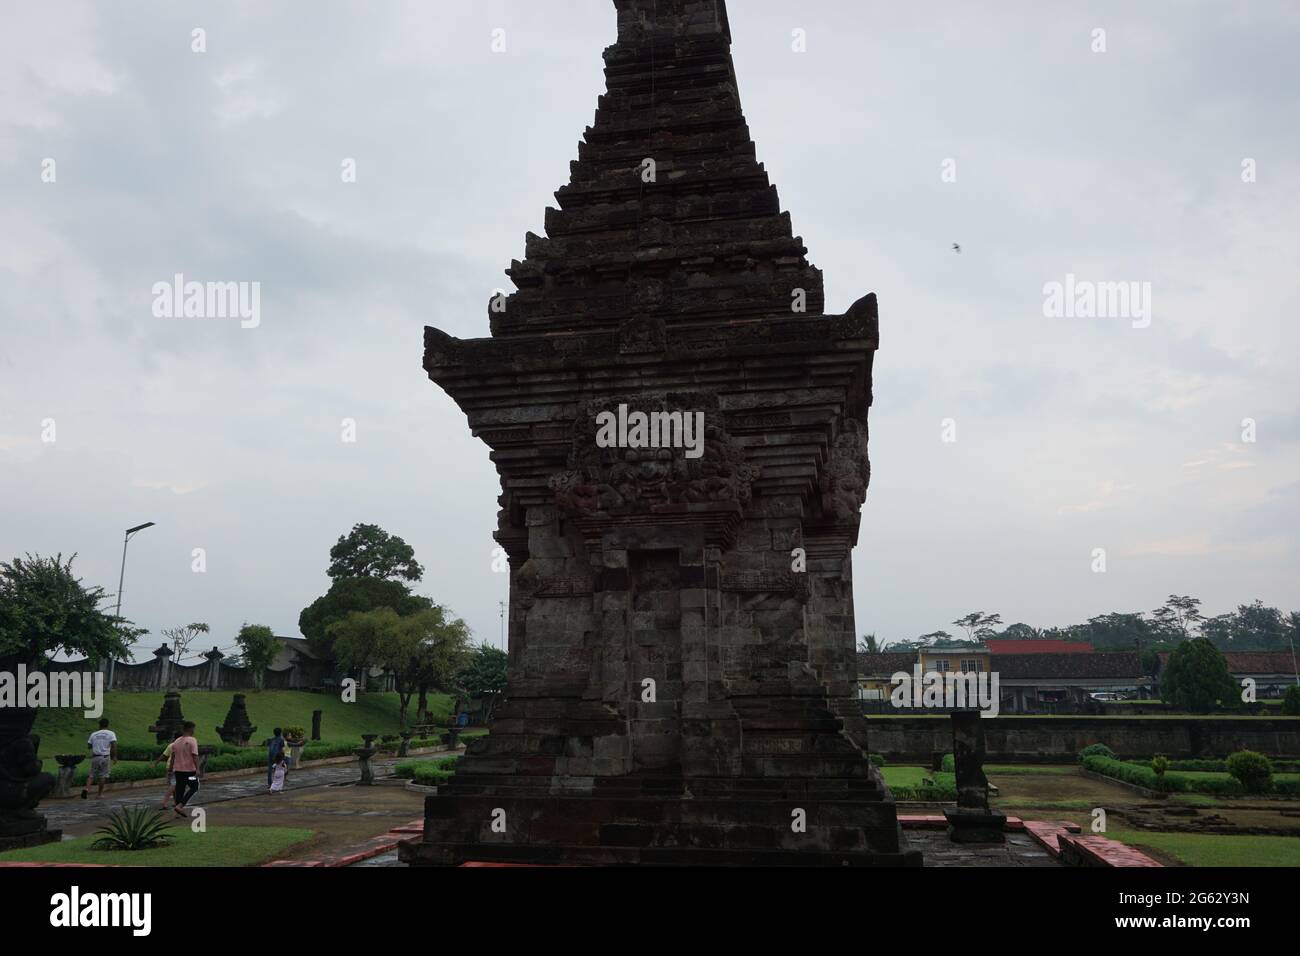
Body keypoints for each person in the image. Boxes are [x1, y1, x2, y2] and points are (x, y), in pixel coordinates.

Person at [171, 721, 201, 817]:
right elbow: (195, 755)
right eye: (193, 729)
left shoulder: (176, 741)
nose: (194, 731)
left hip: (178, 771)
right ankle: (180, 806)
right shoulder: (192, 740)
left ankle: (177, 810)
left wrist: (170, 769)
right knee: (194, 786)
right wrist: (198, 769)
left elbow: (173, 756)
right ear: (190, 729)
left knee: (180, 789)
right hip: (189, 771)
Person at [82, 717, 117, 799]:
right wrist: (114, 756)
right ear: (108, 725)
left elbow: (89, 746)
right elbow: (114, 745)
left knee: (91, 775)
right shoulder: (111, 733)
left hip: (95, 757)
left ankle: (86, 789)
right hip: (105, 757)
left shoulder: (94, 734)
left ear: (99, 725)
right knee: (102, 776)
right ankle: (99, 794)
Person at [153, 729, 183, 809]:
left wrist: (156, 763)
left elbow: (163, 755)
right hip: (175, 768)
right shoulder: (181, 746)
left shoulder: (171, 745)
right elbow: (172, 757)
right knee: (173, 786)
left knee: (173, 786)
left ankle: (175, 802)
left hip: (170, 767)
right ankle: (164, 802)